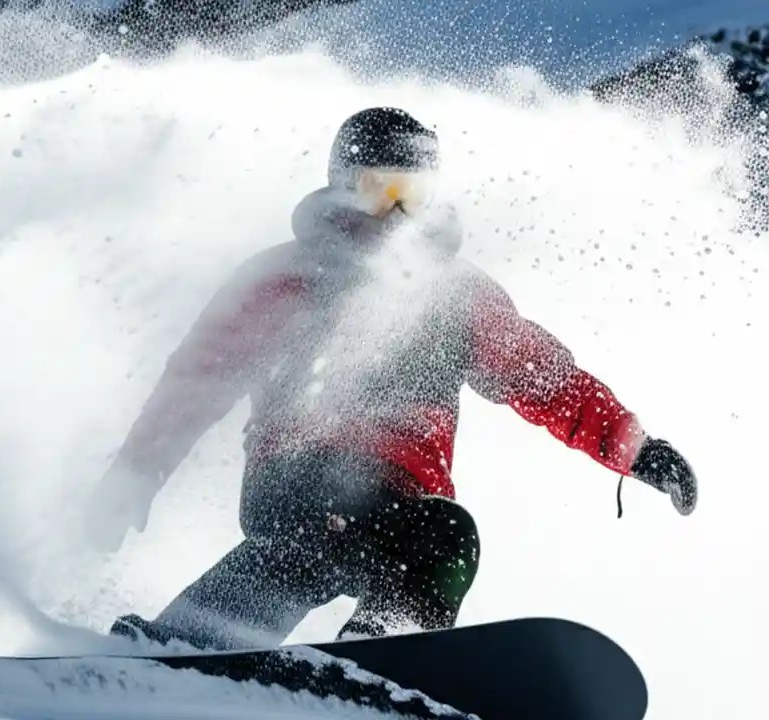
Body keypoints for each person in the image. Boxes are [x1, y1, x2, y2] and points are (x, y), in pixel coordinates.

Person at [83, 107, 698, 651]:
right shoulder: (285, 280)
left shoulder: (455, 295)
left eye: (416, 193)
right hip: (294, 479)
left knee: (445, 535)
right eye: (383, 190)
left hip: (400, 505)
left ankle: (375, 649)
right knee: (306, 538)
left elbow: (543, 378)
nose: (399, 212)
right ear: (344, 189)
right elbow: (195, 383)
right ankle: (188, 646)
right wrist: (136, 473)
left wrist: (637, 450)